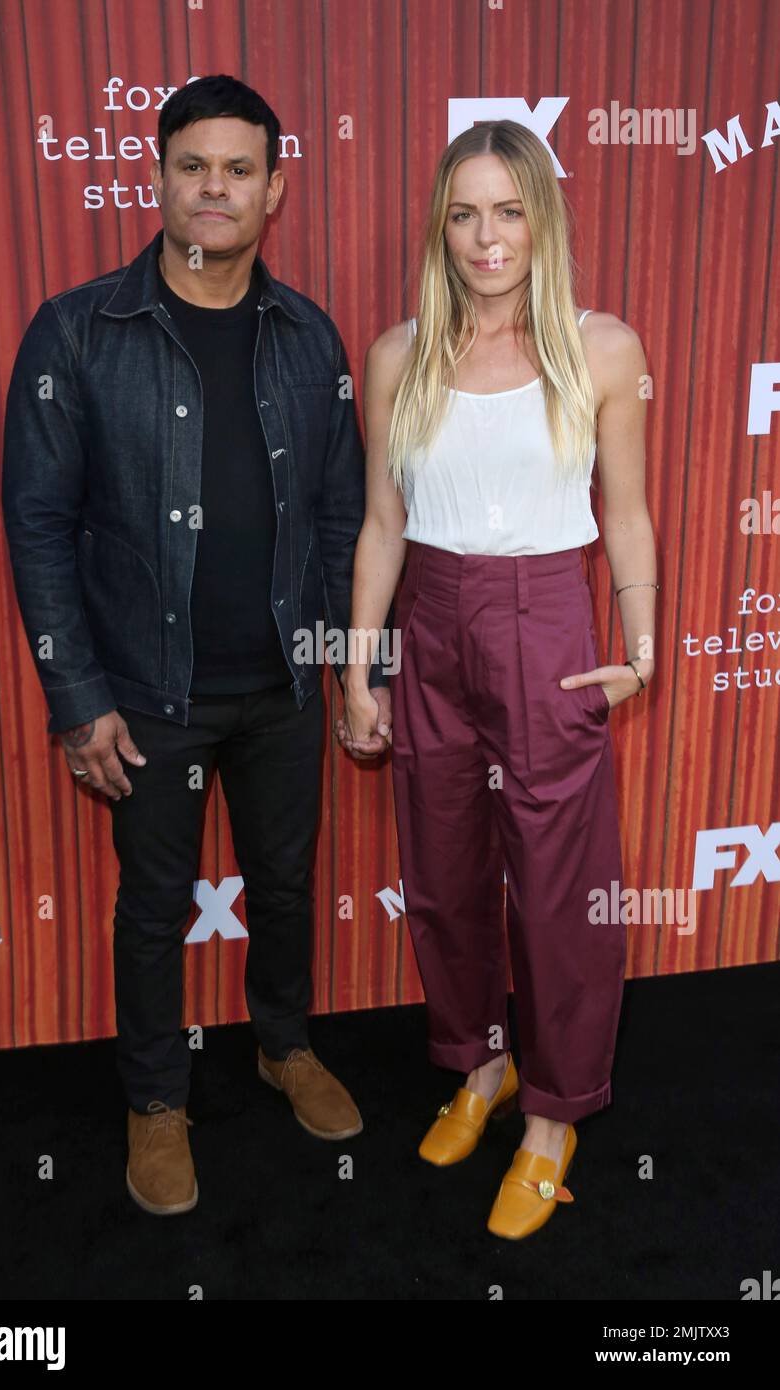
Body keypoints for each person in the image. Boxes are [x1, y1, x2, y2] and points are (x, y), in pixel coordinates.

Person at [1, 74, 393, 1217]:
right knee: (152, 903)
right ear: (157, 176)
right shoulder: (77, 331)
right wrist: (77, 697)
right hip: (144, 690)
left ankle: (281, 1043)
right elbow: (36, 525)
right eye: (191, 165)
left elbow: (337, 513)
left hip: (277, 685)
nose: (213, 188)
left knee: (281, 883)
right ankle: (154, 1100)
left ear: (273, 187)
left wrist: (338, 668)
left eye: (237, 169)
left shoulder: (304, 332)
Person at [338, 119, 657, 1239]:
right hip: (427, 622)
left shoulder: (598, 347)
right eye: (465, 212)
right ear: (441, 222)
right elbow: (381, 524)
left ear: (541, 219)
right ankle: (479, 1066)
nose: (486, 237)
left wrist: (643, 642)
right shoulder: (395, 354)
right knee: (442, 871)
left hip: (548, 625)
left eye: (508, 211)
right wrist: (359, 665)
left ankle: (555, 1110)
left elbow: (623, 511)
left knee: (561, 884)